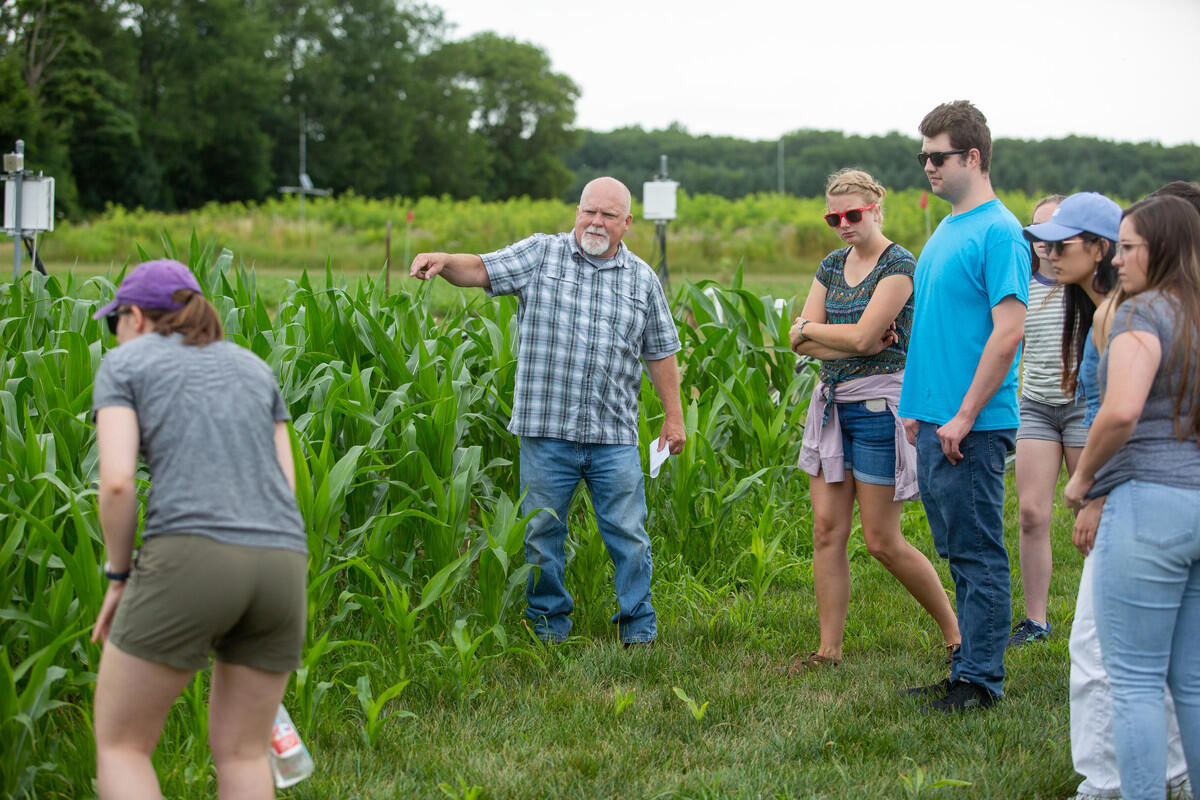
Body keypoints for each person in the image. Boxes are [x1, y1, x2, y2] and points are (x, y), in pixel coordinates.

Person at [409, 177, 685, 646]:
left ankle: (638, 627)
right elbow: (480, 268)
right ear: (577, 212)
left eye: (608, 215)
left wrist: (673, 417)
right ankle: (547, 626)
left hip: (613, 433)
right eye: (588, 211)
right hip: (546, 432)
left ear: (627, 223)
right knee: (540, 536)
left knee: (629, 536)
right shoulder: (542, 254)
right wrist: (443, 261)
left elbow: (660, 352)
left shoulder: (642, 279)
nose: (596, 222)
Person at [90, 260, 308, 799]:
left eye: (112, 322)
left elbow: (117, 484)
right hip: (282, 563)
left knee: (122, 745)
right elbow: (287, 486)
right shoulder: (253, 367)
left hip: (191, 553)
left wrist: (119, 576)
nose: (113, 335)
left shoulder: (127, 363)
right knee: (244, 752)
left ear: (135, 317)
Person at [1024, 191, 1190, 800]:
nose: (1048, 250)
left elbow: (1124, 416)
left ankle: (1107, 784)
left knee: (1098, 648)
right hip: (1159, 496)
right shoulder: (1105, 311)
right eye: (1043, 240)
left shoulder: (1126, 316)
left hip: (1138, 498)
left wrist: (1088, 491)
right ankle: (1170, 773)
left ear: (1101, 250)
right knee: (1169, 659)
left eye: (1063, 242)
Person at [789, 168, 959, 670]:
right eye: (833, 216)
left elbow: (862, 340)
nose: (843, 224)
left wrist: (813, 332)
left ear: (876, 209)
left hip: (879, 410)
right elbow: (797, 341)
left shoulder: (899, 265)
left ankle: (955, 634)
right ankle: (829, 650)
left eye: (853, 214)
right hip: (832, 408)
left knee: (882, 541)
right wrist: (817, 334)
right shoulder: (831, 264)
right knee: (826, 531)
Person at [897, 100, 1031, 712]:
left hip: (968, 426)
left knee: (978, 551)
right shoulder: (948, 228)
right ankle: (967, 669)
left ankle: (980, 682)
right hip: (936, 420)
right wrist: (917, 406)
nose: (927, 165)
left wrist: (963, 415)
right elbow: (941, 326)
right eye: (922, 156)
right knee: (957, 549)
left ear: (972, 156)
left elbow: (1009, 331)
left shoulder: (999, 230)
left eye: (937, 155)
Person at [1010, 193, 1075, 648]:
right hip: (1035, 406)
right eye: (1034, 231)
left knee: (1093, 511)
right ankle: (1036, 621)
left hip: (1086, 407)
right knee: (1032, 513)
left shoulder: (1091, 287)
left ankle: (1106, 610)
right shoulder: (1021, 284)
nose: (1042, 240)